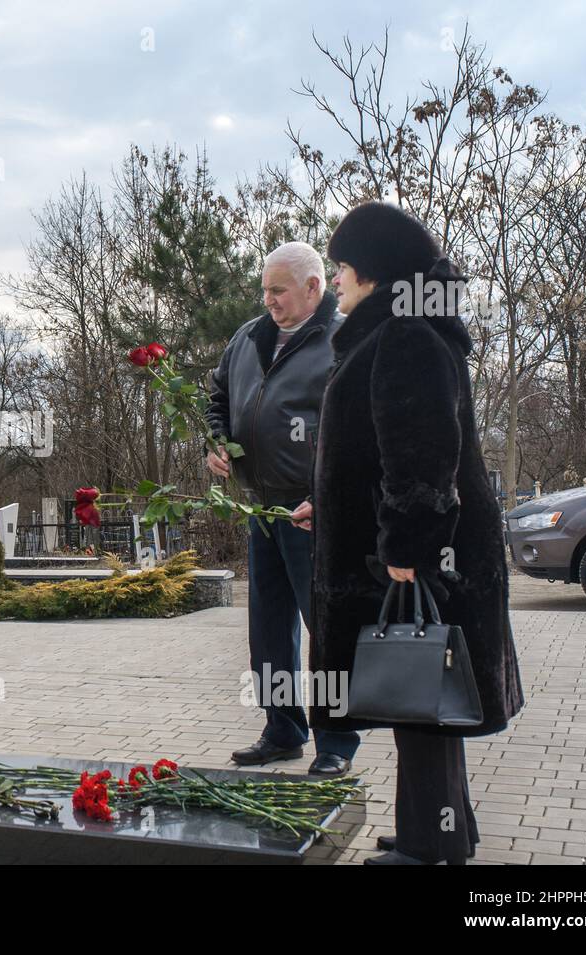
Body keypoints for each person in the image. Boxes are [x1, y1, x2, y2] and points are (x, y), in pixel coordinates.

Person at [292, 201, 525, 864]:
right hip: (405, 547)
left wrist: (409, 551)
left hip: (417, 554)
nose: (337, 278)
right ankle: (448, 827)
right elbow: (378, 452)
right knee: (422, 694)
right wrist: (329, 503)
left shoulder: (403, 336)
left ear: (374, 269)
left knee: (420, 696)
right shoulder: (405, 330)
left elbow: (423, 458)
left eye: (342, 266)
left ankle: (431, 847)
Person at [205, 241, 361, 776]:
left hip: (316, 510)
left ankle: (336, 741)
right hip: (261, 509)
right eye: (264, 289)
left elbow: (360, 433)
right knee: (269, 630)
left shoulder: (344, 340)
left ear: (314, 287)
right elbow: (217, 397)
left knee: (327, 628)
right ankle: (283, 728)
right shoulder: (247, 338)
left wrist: (329, 495)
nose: (267, 300)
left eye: (278, 290)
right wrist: (216, 439)